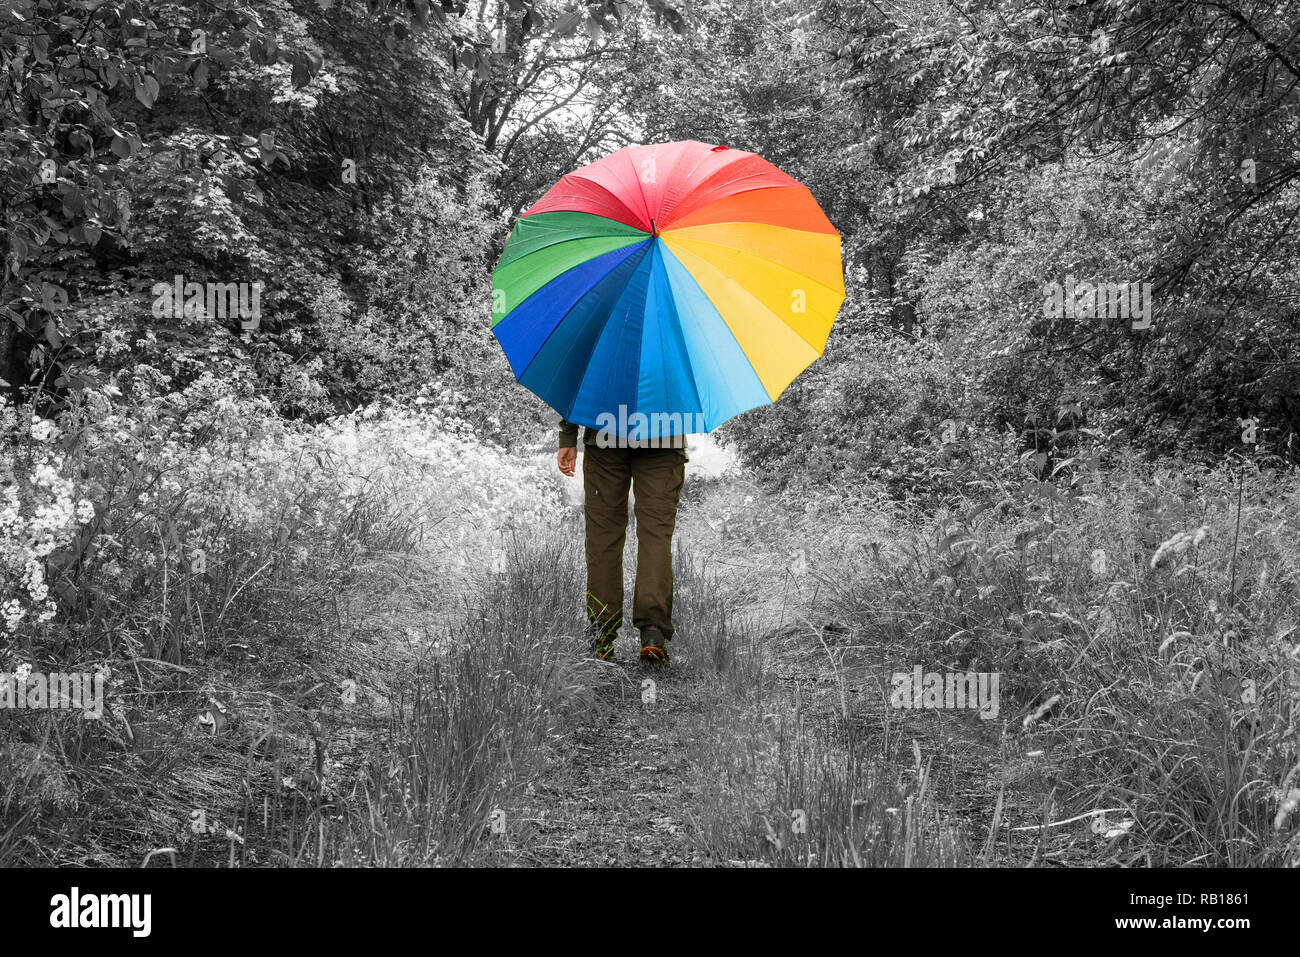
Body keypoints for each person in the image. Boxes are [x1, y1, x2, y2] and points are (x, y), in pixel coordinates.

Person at [556, 417, 687, 665]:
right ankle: (652, 632)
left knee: (603, 534)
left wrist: (568, 436)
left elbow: (577, 381)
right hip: (665, 431)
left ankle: (601, 633)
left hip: (605, 431)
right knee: (656, 534)